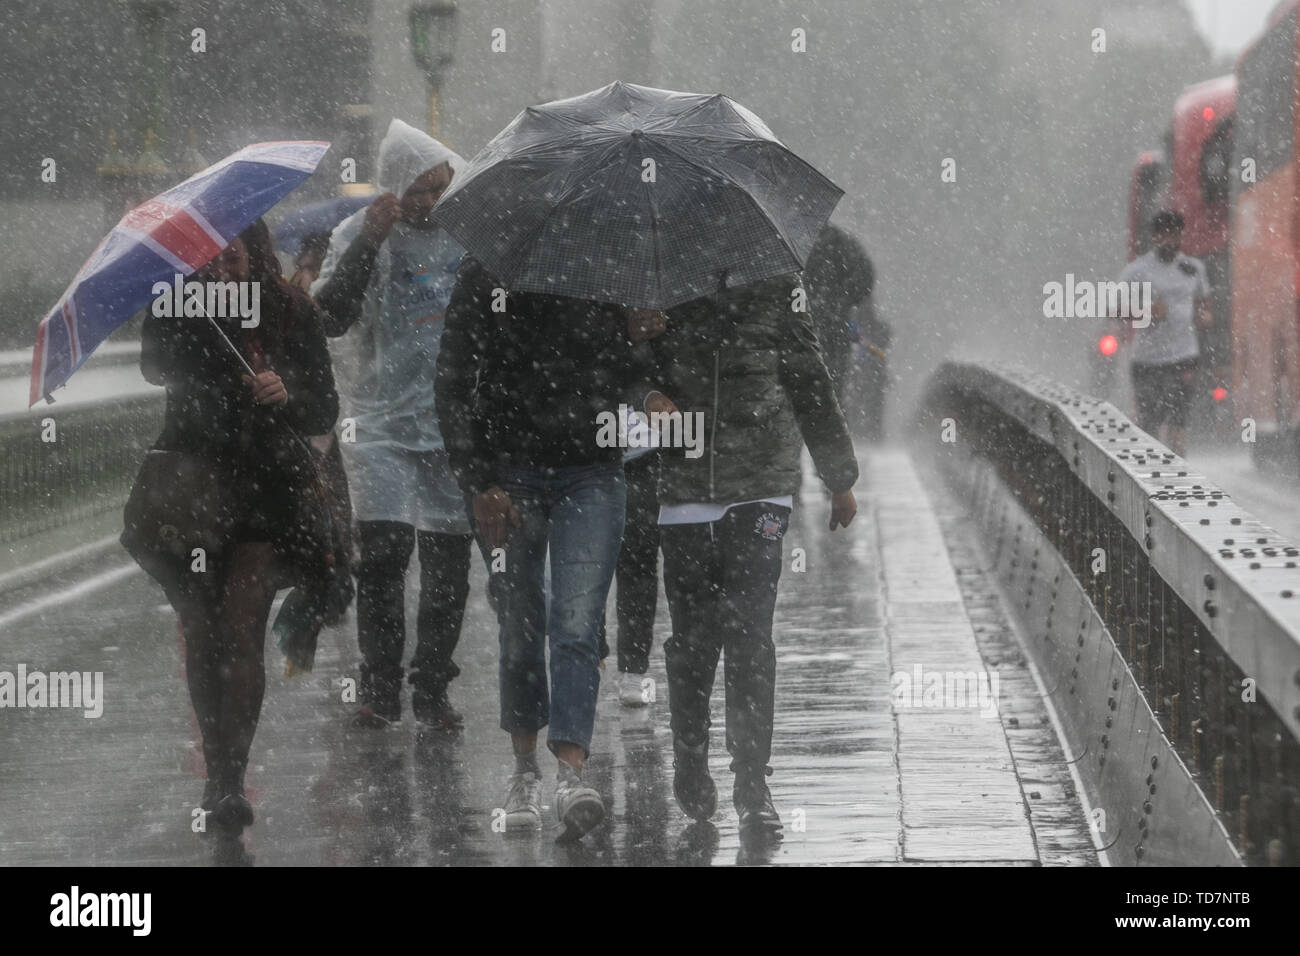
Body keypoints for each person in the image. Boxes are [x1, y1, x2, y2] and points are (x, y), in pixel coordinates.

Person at [435, 258, 659, 841]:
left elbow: (628, 370)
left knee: (578, 622)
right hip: (508, 476)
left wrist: (647, 361)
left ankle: (571, 773)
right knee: (520, 620)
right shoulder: (486, 272)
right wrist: (479, 481)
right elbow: (454, 380)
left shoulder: (605, 268)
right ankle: (523, 772)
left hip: (593, 472)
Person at [137, 219, 339, 830]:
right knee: (202, 628)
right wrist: (192, 313)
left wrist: (286, 389)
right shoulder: (179, 304)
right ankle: (214, 772)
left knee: (243, 624)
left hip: (264, 490)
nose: (223, 273)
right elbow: (153, 367)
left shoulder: (290, 311)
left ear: (256, 258)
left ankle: (231, 779)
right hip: (192, 490)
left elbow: (324, 404)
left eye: (233, 261)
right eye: (210, 263)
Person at [642, 271, 858, 838]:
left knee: (750, 632)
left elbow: (809, 376)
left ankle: (751, 783)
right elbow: (615, 369)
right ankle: (690, 758)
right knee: (692, 638)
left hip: (760, 481)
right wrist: (642, 362)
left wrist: (839, 475)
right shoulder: (656, 276)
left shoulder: (779, 280)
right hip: (685, 487)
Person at [312, 119, 471, 729]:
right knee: (384, 554)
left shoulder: (467, 237)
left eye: (440, 188)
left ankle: (432, 683)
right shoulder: (359, 234)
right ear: (396, 189)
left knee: (448, 561)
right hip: (379, 424)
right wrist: (370, 242)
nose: (431, 202)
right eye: (420, 191)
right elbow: (329, 317)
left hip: (451, 424)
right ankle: (379, 686)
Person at [1116, 209, 1211, 456]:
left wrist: (1204, 317)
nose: (1172, 241)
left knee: (1179, 419)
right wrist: (1147, 312)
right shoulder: (1137, 271)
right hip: (1148, 360)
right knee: (1150, 422)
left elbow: (1203, 304)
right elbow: (1115, 311)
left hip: (1183, 356)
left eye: (1176, 235)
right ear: (1155, 237)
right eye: (1166, 235)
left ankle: (1178, 477)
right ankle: (1152, 475)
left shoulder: (1193, 268)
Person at [802, 223, 874, 406]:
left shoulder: (795, 245)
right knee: (833, 383)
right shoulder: (842, 242)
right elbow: (865, 278)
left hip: (805, 326)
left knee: (806, 383)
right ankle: (832, 426)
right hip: (835, 326)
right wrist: (843, 300)